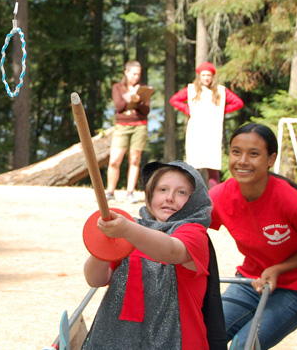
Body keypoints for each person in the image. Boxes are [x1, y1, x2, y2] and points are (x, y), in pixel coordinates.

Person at [209, 123, 297, 349]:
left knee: (243, 345)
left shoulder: (290, 201)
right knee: (205, 336)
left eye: (254, 154)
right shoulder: (220, 195)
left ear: (271, 159)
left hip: (293, 290)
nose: (242, 161)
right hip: (249, 282)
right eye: (236, 151)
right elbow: (190, 227)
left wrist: (278, 269)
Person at [81, 160, 213, 350]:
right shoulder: (131, 229)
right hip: (117, 342)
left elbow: (171, 251)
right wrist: (103, 245)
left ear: (196, 200)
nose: (169, 198)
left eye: (182, 192)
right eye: (162, 190)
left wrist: (127, 229)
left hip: (180, 343)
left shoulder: (194, 233)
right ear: (150, 195)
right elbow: (95, 279)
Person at [169, 61, 243, 188]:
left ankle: (214, 195)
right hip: (196, 131)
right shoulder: (192, 89)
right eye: (203, 75)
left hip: (213, 131)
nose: (206, 78)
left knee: (212, 165)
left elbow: (238, 102)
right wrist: (187, 109)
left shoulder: (220, 91)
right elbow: (174, 100)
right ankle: (193, 195)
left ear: (212, 76)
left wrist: (222, 111)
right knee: (195, 164)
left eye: (208, 75)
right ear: (199, 76)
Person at [106, 60, 151, 204]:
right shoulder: (117, 87)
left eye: (138, 74)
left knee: (134, 159)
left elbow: (146, 110)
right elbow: (119, 106)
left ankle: (130, 192)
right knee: (114, 160)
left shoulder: (143, 88)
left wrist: (138, 100)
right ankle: (110, 191)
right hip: (122, 125)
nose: (136, 77)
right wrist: (131, 95)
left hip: (139, 125)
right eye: (133, 74)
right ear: (126, 72)